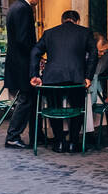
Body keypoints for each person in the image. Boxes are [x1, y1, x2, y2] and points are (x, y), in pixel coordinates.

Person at [30, 10, 98, 152]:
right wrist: (88, 76)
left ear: (62, 21)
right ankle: (73, 142)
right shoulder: (85, 32)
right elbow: (93, 54)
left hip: (52, 77)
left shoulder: (49, 33)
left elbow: (35, 52)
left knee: (54, 108)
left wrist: (35, 74)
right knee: (78, 109)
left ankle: (59, 142)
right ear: (77, 21)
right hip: (76, 77)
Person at [4, 0, 41, 149]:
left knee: (29, 99)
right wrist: (35, 54)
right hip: (22, 63)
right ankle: (13, 136)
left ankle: (35, 134)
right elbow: (23, 38)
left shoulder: (15, 7)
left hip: (18, 61)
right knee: (25, 99)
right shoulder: (24, 9)